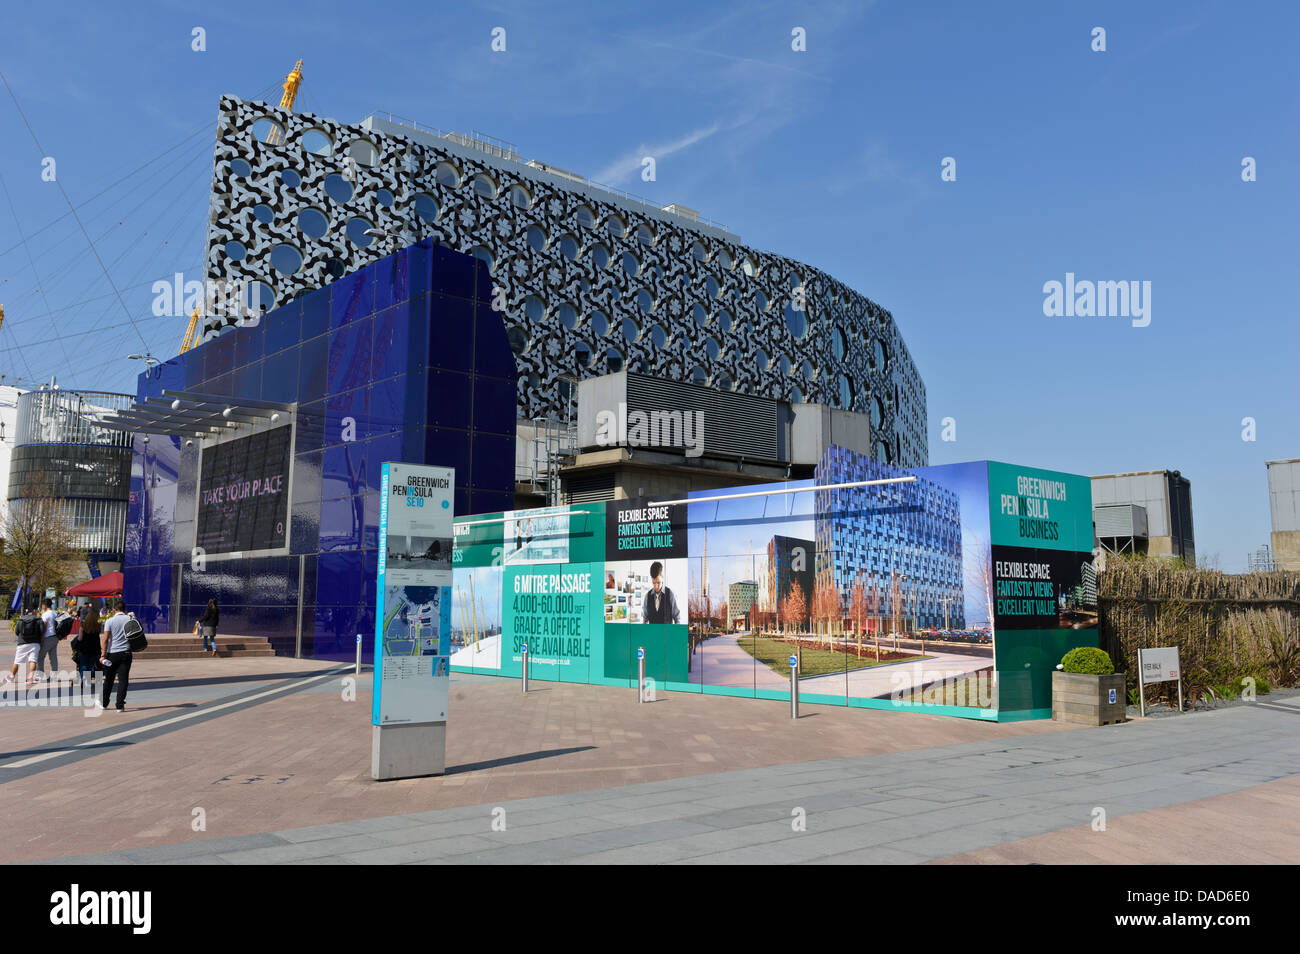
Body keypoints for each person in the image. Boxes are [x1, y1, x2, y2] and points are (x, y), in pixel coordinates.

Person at [99, 598, 134, 712]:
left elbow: (105, 639)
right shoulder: (130, 619)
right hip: (126, 652)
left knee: (109, 679)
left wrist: (103, 654)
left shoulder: (110, 621)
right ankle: (120, 705)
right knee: (123, 680)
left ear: (114, 610)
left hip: (112, 653)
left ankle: (104, 703)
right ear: (124, 609)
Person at [4, 600, 42, 686]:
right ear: (34, 610)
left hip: (22, 643)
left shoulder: (21, 619)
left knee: (17, 661)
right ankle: (30, 678)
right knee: (33, 660)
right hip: (35, 643)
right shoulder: (38, 619)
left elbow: (17, 632)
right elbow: (41, 631)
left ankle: (11, 677)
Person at [72, 601, 102, 689]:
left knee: (83, 665)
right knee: (92, 665)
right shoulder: (98, 627)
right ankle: (88, 681)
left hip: (84, 649)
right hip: (94, 649)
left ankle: (84, 680)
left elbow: (79, 639)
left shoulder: (83, 627)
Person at [36, 598, 59, 680]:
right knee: (53, 658)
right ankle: (54, 676)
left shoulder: (45, 614)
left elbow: (44, 628)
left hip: (47, 638)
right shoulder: (55, 613)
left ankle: (40, 675)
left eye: (42, 605)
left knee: (40, 656)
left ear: (44, 605)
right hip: (55, 637)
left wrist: (41, 639)